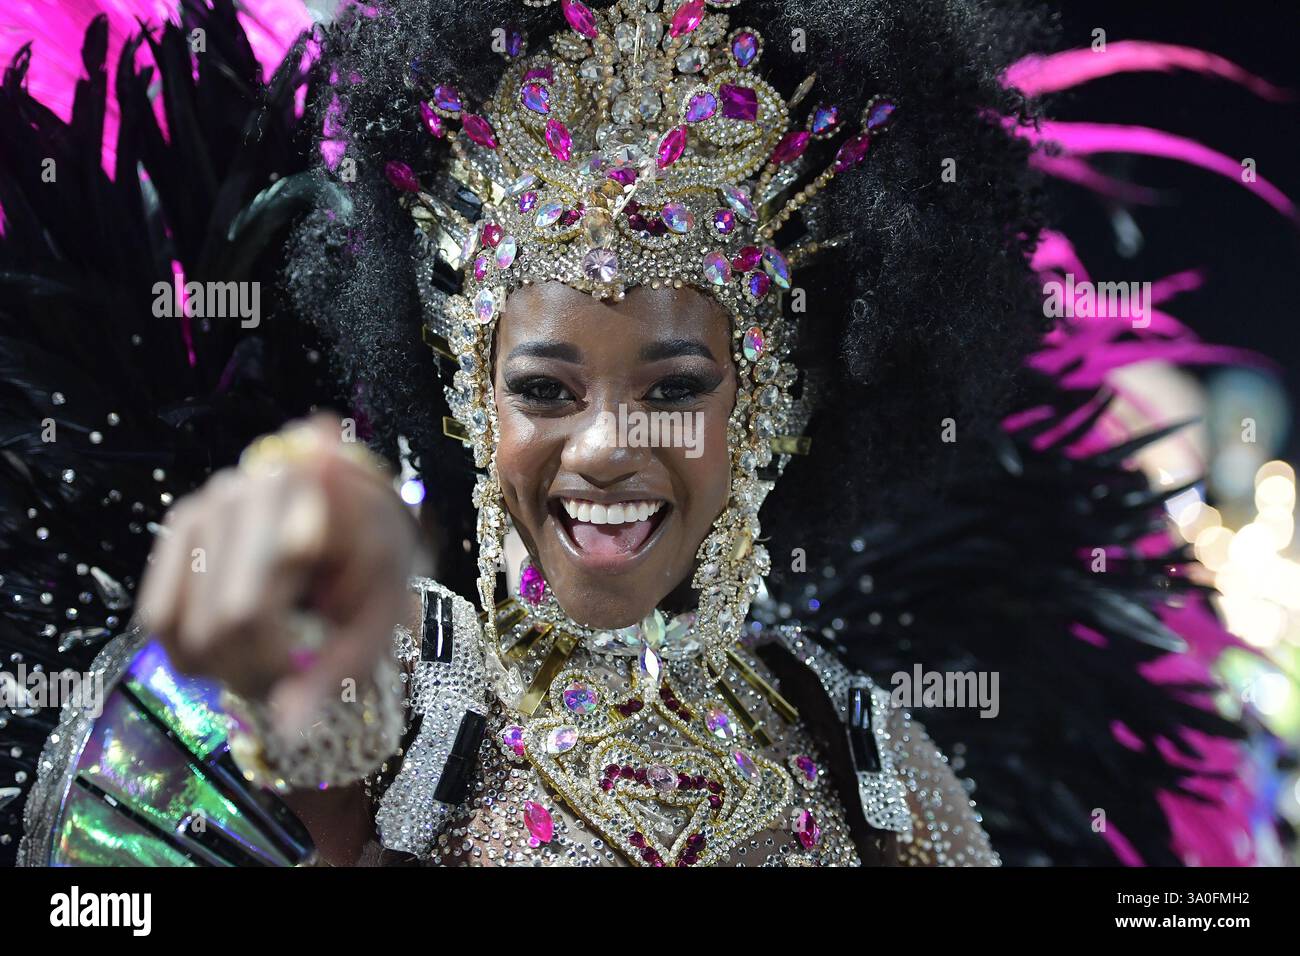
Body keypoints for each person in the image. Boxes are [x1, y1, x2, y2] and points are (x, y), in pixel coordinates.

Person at [2, 0, 1283, 867]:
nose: (607, 445)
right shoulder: (402, 698)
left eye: (673, 387)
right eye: (546, 391)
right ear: (467, 399)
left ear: (766, 406)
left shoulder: (869, 759)